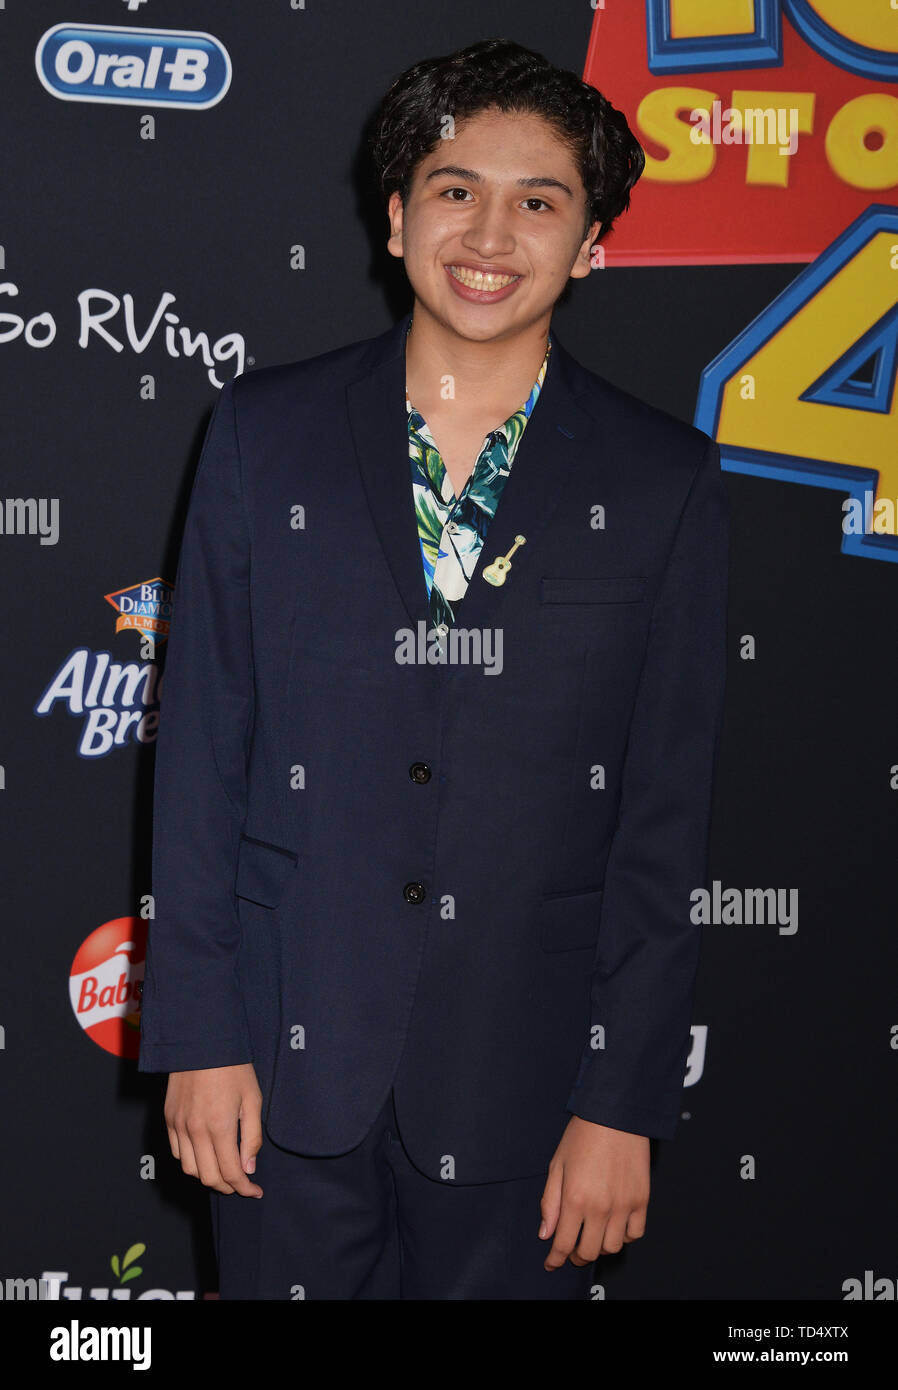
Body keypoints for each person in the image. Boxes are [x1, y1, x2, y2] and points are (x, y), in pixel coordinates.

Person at [137, 36, 729, 1300]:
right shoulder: (262, 437)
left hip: (531, 1086)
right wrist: (197, 1037)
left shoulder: (661, 481)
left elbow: (662, 819)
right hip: (282, 1075)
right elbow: (200, 753)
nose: (491, 232)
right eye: (457, 189)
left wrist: (623, 1102)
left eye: (540, 201)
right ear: (398, 215)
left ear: (591, 244)